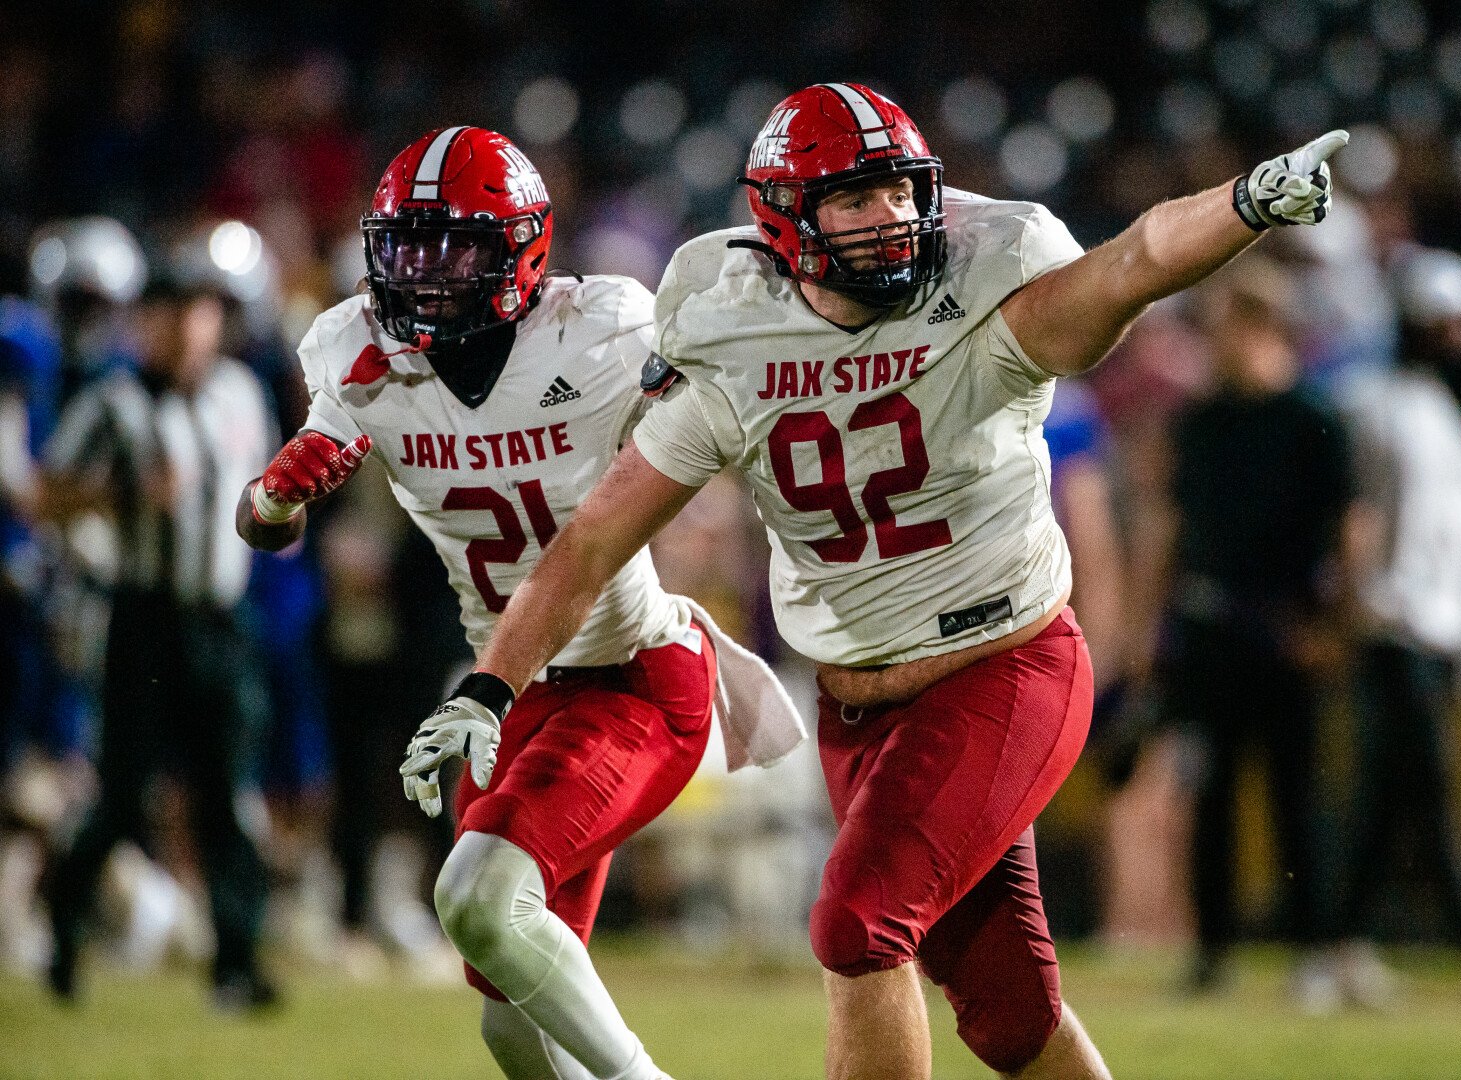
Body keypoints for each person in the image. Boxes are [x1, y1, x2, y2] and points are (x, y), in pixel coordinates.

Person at [402, 84, 1347, 1080]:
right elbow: (594, 538)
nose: (893, 215)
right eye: (857, 199)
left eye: (901, 191)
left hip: (1003, 666)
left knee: (856, 925)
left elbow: (1139, 259)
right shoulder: (736, 334)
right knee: (1007, 1012)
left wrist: (1243, 202)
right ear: (785, 218)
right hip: (856, 708)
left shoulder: (987, 289)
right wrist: (491, 684)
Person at [237, 126, 802, 1080]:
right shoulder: (356, 351)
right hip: (514, 696)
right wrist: (275, 495)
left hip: (634, 678)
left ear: (523, 247)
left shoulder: (606, 331)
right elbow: (264, 532)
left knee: (476, 896)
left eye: (455, 245)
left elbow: (725, 420)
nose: (427, 273)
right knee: (513, 1022)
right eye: (407, 245)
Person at [42, 276, 280, 1010]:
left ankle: (236, 963)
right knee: (122, 793)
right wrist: (122, 497)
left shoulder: (239, 392)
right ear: (143, 323)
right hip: (144, 615)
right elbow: (46, 492)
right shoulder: (113, 402)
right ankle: (65, 927)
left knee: (228, 793)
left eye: (196, 313)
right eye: (167, 315)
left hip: (223, 617)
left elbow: (269, 483)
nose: (182, 330)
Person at [1148, 262, 1352, 1005]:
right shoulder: (1201, 422)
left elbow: (1346, 530)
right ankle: (1213, 950)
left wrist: (1334, 625)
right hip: (1212, 633)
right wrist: (1152, 632)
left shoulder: (1312, 419)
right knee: (1211, 797)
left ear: (1266, 327)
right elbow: (1174, 530)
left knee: (1298, 797)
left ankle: (1314, 952)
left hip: (1290, 631)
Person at [1330, 247, 1461, 992]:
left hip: (1456, 622)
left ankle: (1337, 941)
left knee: (1396, 786)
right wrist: (1358, 599)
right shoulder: (1380, 403)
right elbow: (1361, 515)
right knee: (1427, 776)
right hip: (1397, 618)